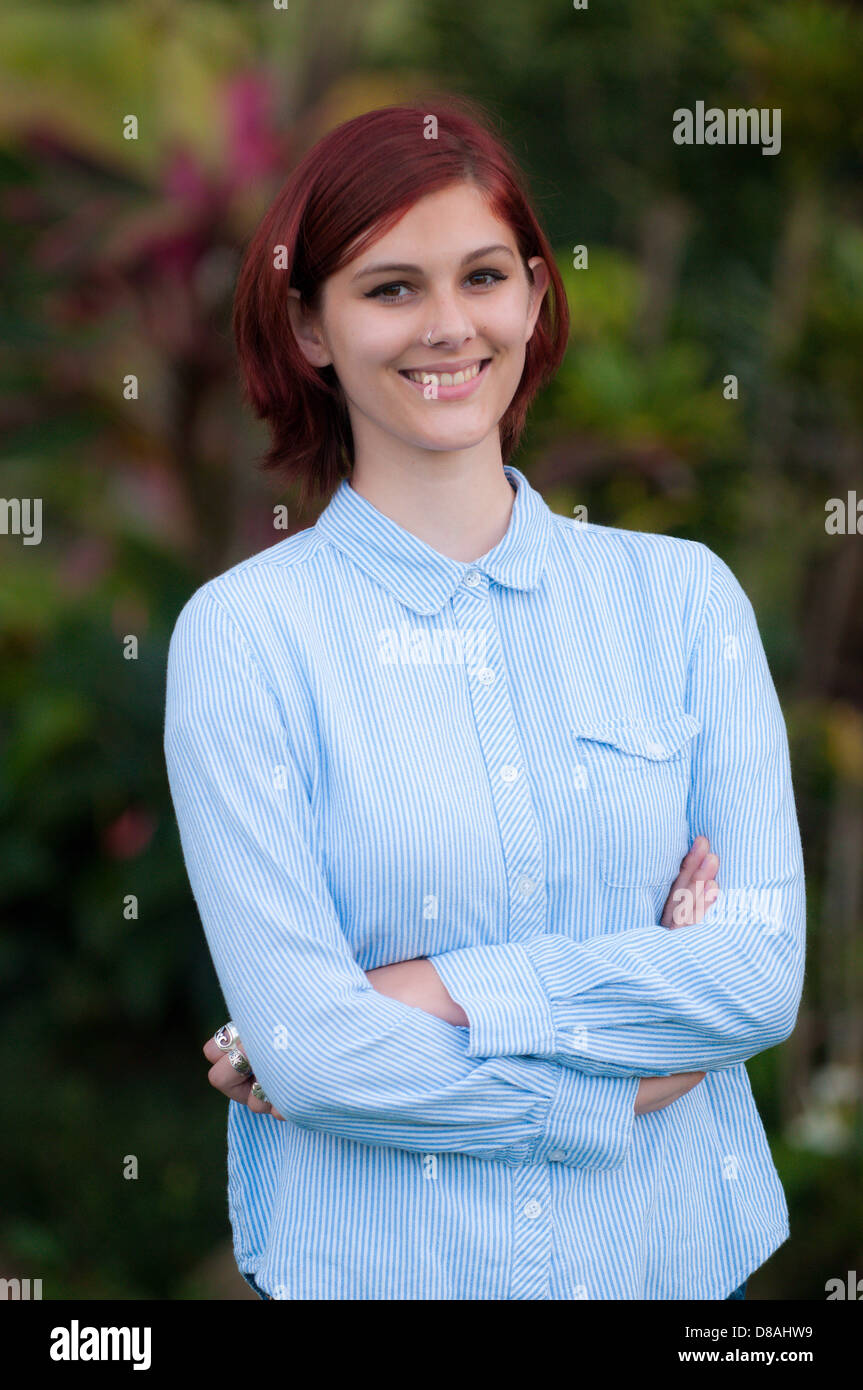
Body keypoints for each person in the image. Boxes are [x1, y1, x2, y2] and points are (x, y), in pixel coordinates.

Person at [163, 96, 806, 1301]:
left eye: (481, 276)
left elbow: (754, 976)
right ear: (309, 325)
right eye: (390, 287)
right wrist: (626, 1083)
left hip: (679, 1275)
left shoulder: (682, 602)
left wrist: (430, 992)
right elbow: (317, 1061)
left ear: (535, 297)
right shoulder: (244, 641)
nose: (448, 326)